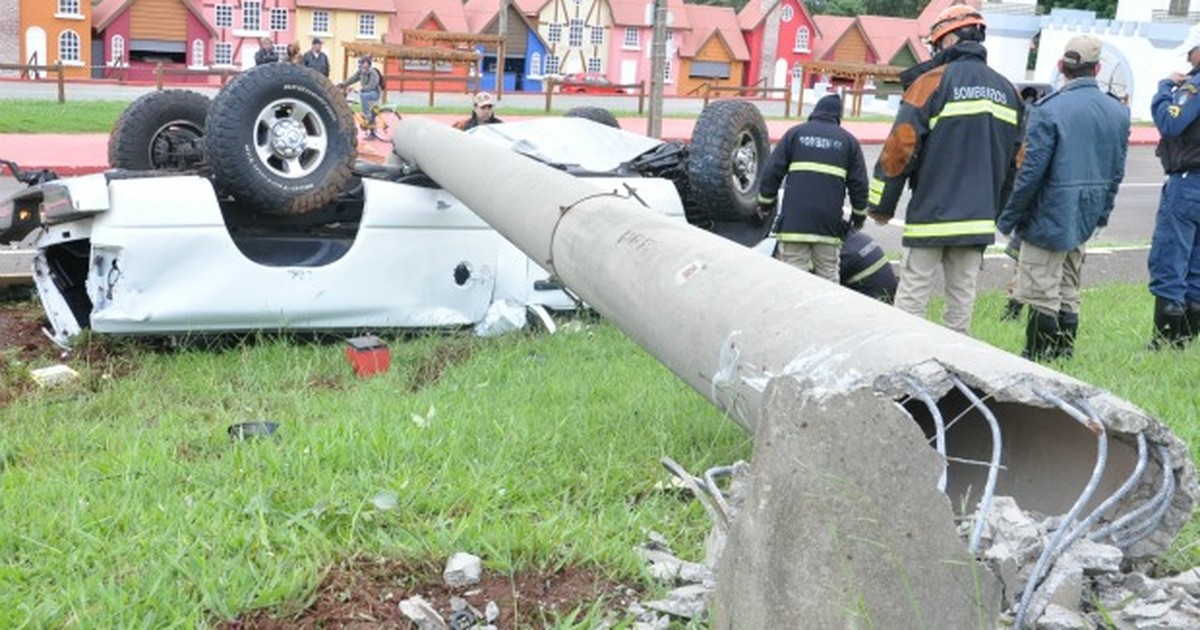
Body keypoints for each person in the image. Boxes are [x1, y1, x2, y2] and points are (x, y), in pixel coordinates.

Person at [867, 4, 1023, 335]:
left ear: (949, 39)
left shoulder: (930, 83)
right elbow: (1017, 163)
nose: (935, 51)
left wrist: (881, 206)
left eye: (937, 44)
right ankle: (954, 376)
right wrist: (1000, 212)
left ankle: (905, 367)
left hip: (931, 219)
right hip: (977, 222)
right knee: (960, 309)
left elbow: (900, 148)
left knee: (910, 307)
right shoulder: (1009, 92)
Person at [996, 35, 1129, 361]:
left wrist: (1009, 217)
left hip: (1048, 213)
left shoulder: (1049, 109)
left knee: (1041, 291)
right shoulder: (1117, 111)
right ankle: (1063, 354)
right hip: (1085, 213)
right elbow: (1116, 171)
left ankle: (1037, 357)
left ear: (1061, 67)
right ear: (1096, 68)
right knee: (1069, 286)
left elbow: (1030, 174)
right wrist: (1102, 215)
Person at [756, 93, 869, 282]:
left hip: (795, 224)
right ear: (837, 116)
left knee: (793, 278)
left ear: (815, 111)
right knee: (828, 276)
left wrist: (765, 203)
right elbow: (859, 184)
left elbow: (771, 172)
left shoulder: (795, 134)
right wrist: (858, 218)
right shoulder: (848, 142)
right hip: (828, 226)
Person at [1147, 45, 1200, 349]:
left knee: (1171, 258)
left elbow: (1171, 122)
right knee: (1197, 265)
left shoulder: (1193, 86)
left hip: (1188, 181)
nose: (1187, 58)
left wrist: (1166, 87)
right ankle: (1186, 341)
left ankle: (1165, 341)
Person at [839, 230, 898, 302]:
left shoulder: (847, 254)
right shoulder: (861, 237)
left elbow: (829, 283)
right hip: (890, 294)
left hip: (874, 302)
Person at [338, 56, 384, 139]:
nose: (363, 67)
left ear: (369, 65)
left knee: (365, 100)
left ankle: (366, 116)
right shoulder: (361, 72)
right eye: (362, 65)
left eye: (365, 65)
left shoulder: (373, 73)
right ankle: (370, 129)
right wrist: (342, 85)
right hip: (366, 93)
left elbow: (372, 86)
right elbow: (352, 79)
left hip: (375, 93)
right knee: (369, 107)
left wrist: (360, 89)